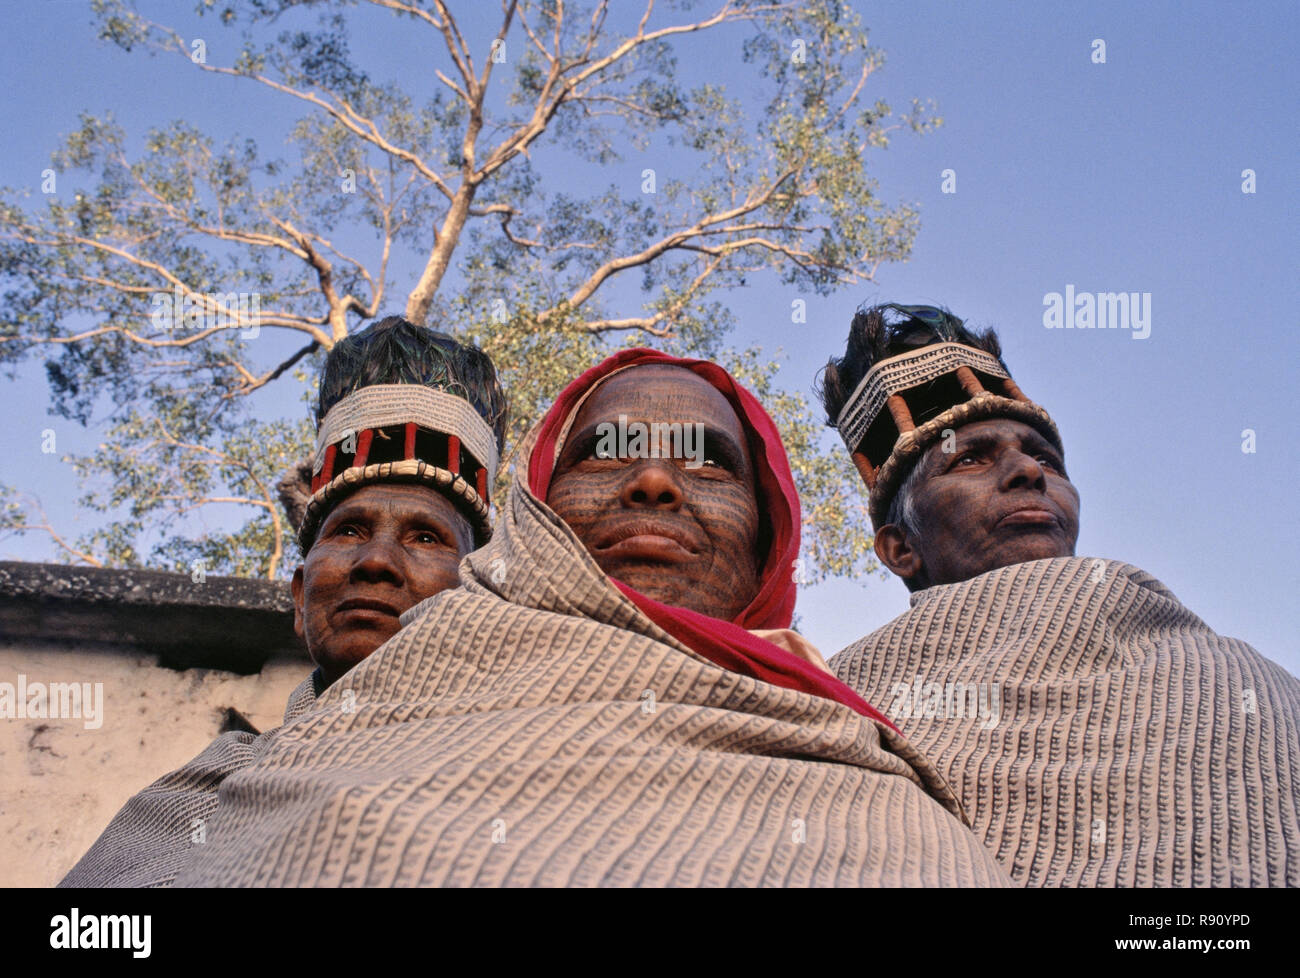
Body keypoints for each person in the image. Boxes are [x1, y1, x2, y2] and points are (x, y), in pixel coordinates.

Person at [172, 349, 1012, 887]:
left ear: (769, 536)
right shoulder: (322, 742)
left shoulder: (859, 758)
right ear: (539, 507)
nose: (652, 483)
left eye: (707, 463)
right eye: (605, 451)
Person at [819, 303, 1300, 886]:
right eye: (968, 459)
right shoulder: (833, 708)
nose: (1030, 472)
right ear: (899, 549)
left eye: (1045, 457)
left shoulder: (1243, 677)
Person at [58, 317, 508, 887]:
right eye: (347, 531)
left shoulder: (535, 758)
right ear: (299, 598)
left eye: (425, 537)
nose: (377, 561)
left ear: (478, 598)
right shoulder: (208, 790)